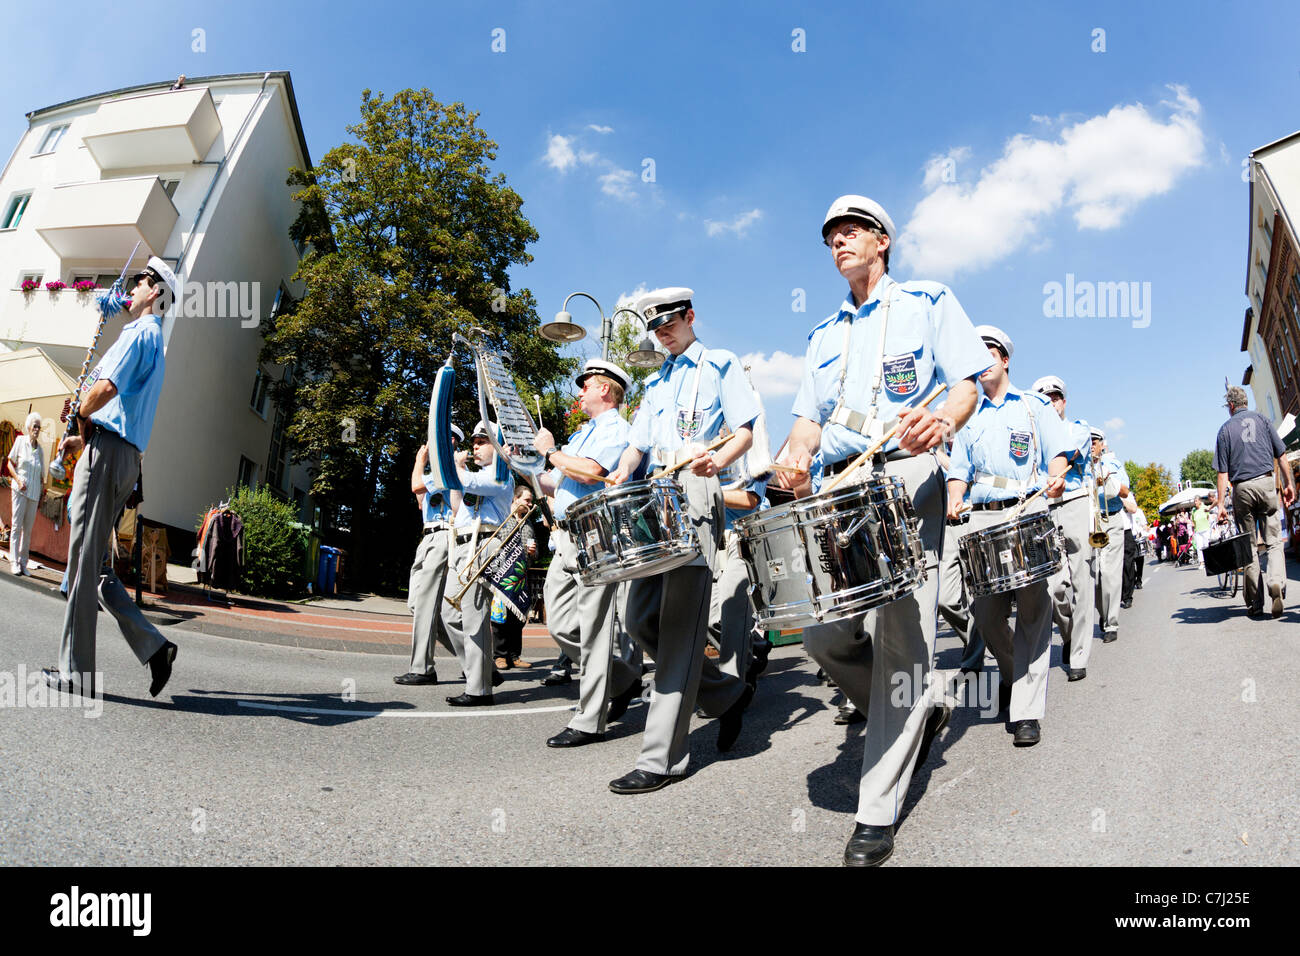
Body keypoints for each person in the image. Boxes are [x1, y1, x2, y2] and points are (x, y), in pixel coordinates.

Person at [774, 195, 990, 866]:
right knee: (822, 632)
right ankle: (917, 708)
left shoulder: (927, 301)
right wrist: (793, 457)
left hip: (907, 475)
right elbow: (807, 421)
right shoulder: (821, 334)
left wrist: (943, 424)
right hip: (840, 486)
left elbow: (968, 384)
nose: (838, 241)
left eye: (851, 231)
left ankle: (877, 809)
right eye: (831, 235)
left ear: (882, 241)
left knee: (900, 639)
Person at [605, 286, 760, 793]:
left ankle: (660, 760)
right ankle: (726, 695)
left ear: (690, 316)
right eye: (655, 327)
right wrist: (620, 475)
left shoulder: (719, 364)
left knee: (677, 631)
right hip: (653, 498)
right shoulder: (656, 383)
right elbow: (637, 447)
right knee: (640, 619)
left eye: (669, 322)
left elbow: (744, 431)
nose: (662, 332)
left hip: (695, 491)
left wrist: (718, 460)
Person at [42, 257, 179, 698]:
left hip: (109, 455)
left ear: (155, 292)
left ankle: (76, 672)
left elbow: (105, 391)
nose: (134, 286)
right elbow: (122, 413)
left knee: (82, 561)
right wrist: (84, 439)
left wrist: (82, 407)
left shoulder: (141, 332)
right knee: (97, 568)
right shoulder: (154, 340)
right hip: (114, 453)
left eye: (141, 281)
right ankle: (154, 647)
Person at [947, 328, 1071, 747]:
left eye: (988, 353)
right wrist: (955, 498)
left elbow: (1058, 451)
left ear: (1004, 360)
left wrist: (1055, 477)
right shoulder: (966, 414)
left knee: (1035, 611)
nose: (981, 362)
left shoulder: (1034, 407)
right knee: (987, 614)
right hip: (983, 518)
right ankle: (1011, 670)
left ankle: (1026, 712)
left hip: (1027, 507)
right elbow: (958, 471)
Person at [532, 359, 642, 747]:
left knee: (595, 630)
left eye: (586, 385)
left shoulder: (618, 430)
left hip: (593, 535)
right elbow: (554, 483)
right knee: (561, 625)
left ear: (606, 391)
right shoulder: (583, 433)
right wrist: (522, 462)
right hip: (565, 537)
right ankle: (625, 679)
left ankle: (589, 719)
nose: (579, 392)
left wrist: (551, 452)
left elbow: (587, 472)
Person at [442, 421, 514, 705]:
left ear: (496, 446)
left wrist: (456, 467)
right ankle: (484, 670)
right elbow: (458, 507)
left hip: (482, 542)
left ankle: (478, 689)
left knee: (473, 617)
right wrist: (456, 475)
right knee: (448, 615)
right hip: (462, 544)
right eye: (474, 441)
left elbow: (472, 483)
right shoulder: (472, 475)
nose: (474, 446)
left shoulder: (501, 473)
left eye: (482, 441)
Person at [1031, 375, 1095, 681]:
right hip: (1045, 508)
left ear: (1064, 401)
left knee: (1082, 577)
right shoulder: (1032, 434)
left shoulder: (1077, 428)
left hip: (1073, 501)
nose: (1051, 402)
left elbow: (1066, 454)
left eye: (1055, 397)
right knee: (1054, 586)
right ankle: (1069, 635)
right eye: (1044, 399)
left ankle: (1079, 655)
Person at [1214, 386, 1296, 618]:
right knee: (1274, 542)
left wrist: (1220, 505)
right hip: (1266, 483)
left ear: (1231, 406)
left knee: (1248, 547)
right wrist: (1288, 484)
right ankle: (1276, 582)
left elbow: (1222, 474)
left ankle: (1255, 604)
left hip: (1242, 489)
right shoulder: (1262, 419)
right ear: (1245, 402)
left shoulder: (1224, 430)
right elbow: (1281, 455)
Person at [395, 424, 463, 685]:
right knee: (418, 605)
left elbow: (415, 486)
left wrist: (418, 462)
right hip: (429, 536)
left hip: (442, 535)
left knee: (425, 606)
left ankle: (422, 668)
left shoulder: (445, 469)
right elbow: (422, 502)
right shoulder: (437, 472)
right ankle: (477, 661)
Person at [491, 484, 538, 669]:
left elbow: (535, 553)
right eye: (527, 500)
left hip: (520, 576)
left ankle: (514, 655)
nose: (529, 504)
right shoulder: (503, 518)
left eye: (531, 501)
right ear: (515, 498)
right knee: (500, 617)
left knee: (517, 618)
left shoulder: (528, 523)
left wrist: (533, 553)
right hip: (502, 574)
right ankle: (500, 656)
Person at [1090, 428, 1128, 643]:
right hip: (1092, 522)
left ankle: (1111, 623)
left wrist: (1108, 481)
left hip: (1111, 519)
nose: (1092, 445)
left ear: (1102, 444)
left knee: (1109, 572)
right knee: (1094, 576)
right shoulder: (1081, 468)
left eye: (1095, 441)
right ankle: (1104, 616)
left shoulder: (1113, 464)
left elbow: (1124, 492)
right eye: (1089, 442)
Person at [6, 412, 45, 576]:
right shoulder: (20, 441)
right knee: (16, 526)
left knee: (27, 530)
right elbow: (9, 463)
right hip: (20, 491)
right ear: (29, 427)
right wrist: (18, 480)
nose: (36, 429)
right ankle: (14, 561)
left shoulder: (41, 450)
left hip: (34, 494)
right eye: (34, 426)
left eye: (39, 427)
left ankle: (23, 563)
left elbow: (42, 476)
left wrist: (41, 495)